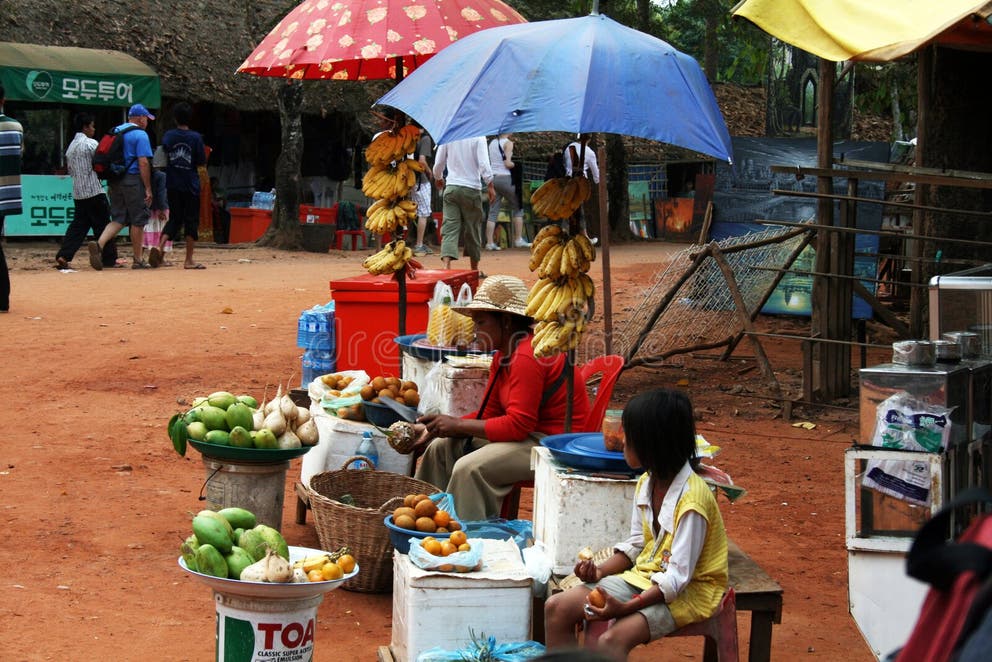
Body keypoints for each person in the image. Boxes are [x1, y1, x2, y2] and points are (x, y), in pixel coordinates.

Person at [543, 388, 728, 660]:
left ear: (652, 443)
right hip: (645, 577)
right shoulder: (646, 482)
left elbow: (676, 580)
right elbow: (637, 545)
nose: (622, 438)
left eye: (629, 433)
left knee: (611, 641)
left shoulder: (693, 502)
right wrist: (599, 572)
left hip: (690, 592)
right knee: (556, 608)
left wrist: (626, 608)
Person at [412, 275, 589, 521]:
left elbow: (518, 426)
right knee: (441, 447)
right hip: (528, 436)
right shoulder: (503, 355)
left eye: (481, 322)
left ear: (505, 321)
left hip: (551, 444)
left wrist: (458, 424)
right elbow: (490, 415)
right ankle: (419, 519)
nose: (475, 331)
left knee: (470, 469)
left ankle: (465, 540)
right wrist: (438, 427)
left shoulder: (527, 356)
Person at [88, 104, 155, 270]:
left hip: (115, 180)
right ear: (140, 118)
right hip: (132, 180)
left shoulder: (116, 130)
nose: (147, 121)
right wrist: (148, 187)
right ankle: (138, 259)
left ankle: (99, 244)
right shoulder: (140, 135)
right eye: (146, 118)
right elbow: (143, 162)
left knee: (119, 218)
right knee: (138, 220)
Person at [56, 112, 119, 270]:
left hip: (78, 192)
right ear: (85, 127)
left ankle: (64, 255)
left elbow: (70, 170)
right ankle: (109, 258)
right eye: (92, 125)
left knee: (78, 226)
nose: (94, 128)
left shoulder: (70, 148)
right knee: (103, 225)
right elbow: (101, 162)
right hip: (94, 190)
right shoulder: (91, 144)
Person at [149, 102, 207, 270]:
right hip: (190, 184)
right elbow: (201, 162)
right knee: (191, 221)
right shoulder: (195, 138)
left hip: (173, 183)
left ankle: (159, 248)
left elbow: (162, 155)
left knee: (174, 218)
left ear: (175, 118)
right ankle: (188, 260)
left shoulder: (169, 136)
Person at [432, 136, 495, 274]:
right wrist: (490, 184)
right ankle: (474, 269)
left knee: (449, 227)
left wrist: (438, 177)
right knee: (472, 229)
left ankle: (446, 267)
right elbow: (484, 163)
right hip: (471, 189)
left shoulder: (449, 134)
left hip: (451, 188)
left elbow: (438, 163)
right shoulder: (479, 136)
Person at [0, 84, 23, 312]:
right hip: (7, 193)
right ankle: (2, 298)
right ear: (3, 100)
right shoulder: (15, 125)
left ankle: (2, 298)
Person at [486, 133, 530, 250]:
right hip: (506, 178)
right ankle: (518, 239)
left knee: (493, 211)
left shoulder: (492, 143)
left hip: (494, 178)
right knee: (518, 207)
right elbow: (507, 163)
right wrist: (517, 165)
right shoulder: (508, 143)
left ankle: (489, 243)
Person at [563, 133, 600, 246]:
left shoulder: (568, 148)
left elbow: (565, 163)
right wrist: (599, 182)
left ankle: (566, 234)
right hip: (580, 182)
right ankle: (584, 236)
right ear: (589, 138)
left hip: (567, 180)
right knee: (579, 209)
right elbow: (596, 175)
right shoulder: (589, 152)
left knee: (567, 208)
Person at [411, 126, 434, 256]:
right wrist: (429, 172)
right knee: (423, 213)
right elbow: (422, 161)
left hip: (405, 179)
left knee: (408, 211)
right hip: (420, 180)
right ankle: (419, 244)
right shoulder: (424, 138)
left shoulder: (407, 136)